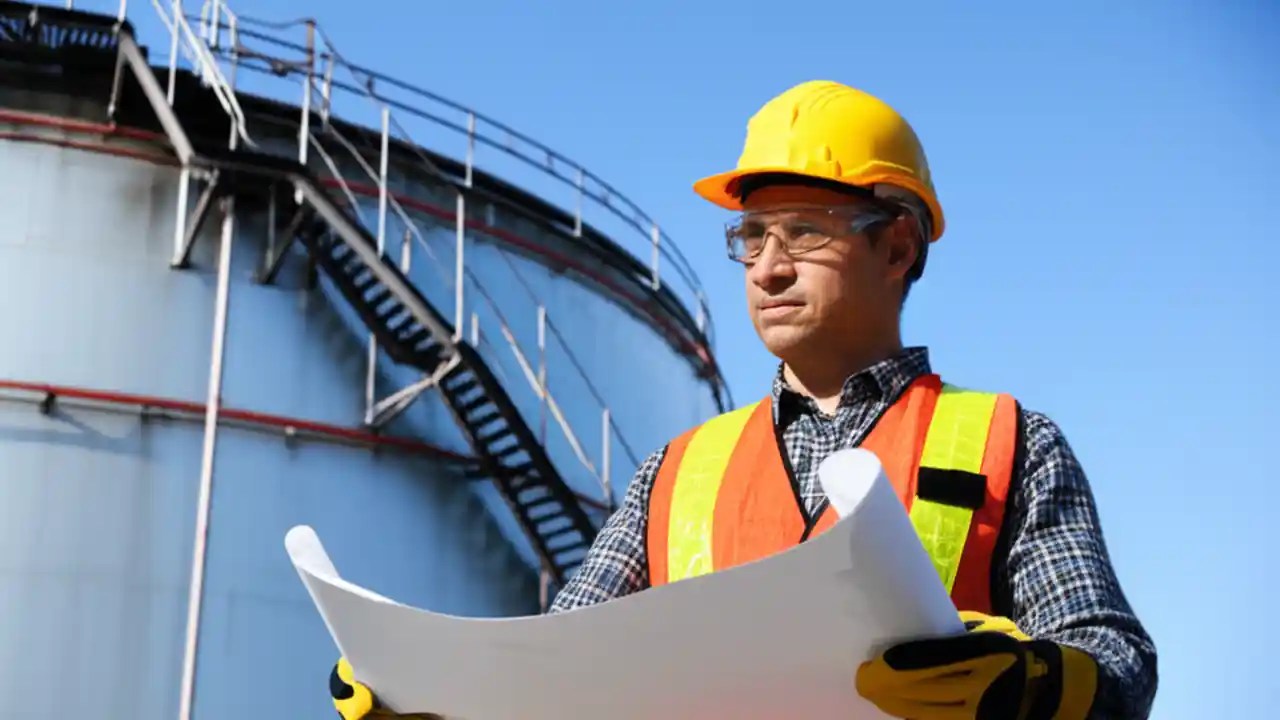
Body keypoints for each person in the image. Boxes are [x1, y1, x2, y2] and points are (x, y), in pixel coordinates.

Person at [329, 80, 1157, 719]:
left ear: (898, 247)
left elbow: (1114, 658)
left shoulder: (1010, 443)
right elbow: (555, 668)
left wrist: (1031, 684)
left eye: (804, 231)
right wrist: (433, 698)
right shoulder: (675, 473)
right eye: (752, 238)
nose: (767, 269)